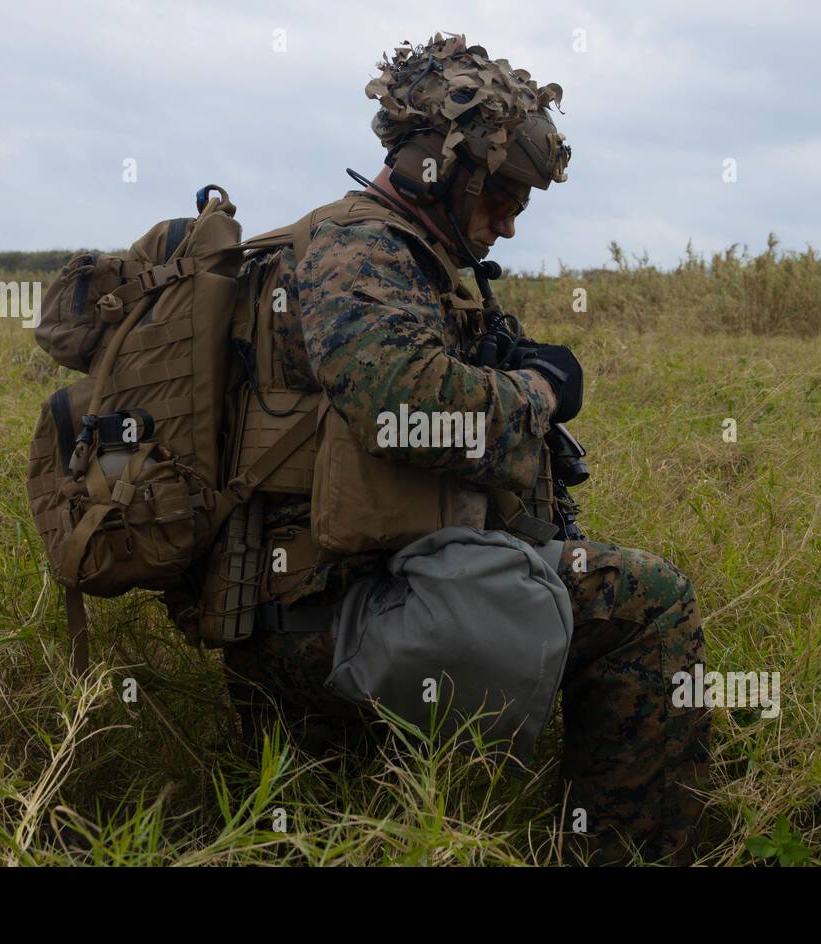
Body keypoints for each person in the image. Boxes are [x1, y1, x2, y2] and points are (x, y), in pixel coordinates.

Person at [221, 32, 710, 866]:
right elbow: (401, 408)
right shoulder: (361, 249)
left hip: (330, 590)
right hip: (328, 612)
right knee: (647, 603)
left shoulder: (400, 254)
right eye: (502, 198)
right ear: (439, 170)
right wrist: (542, 392)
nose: (510, 225)